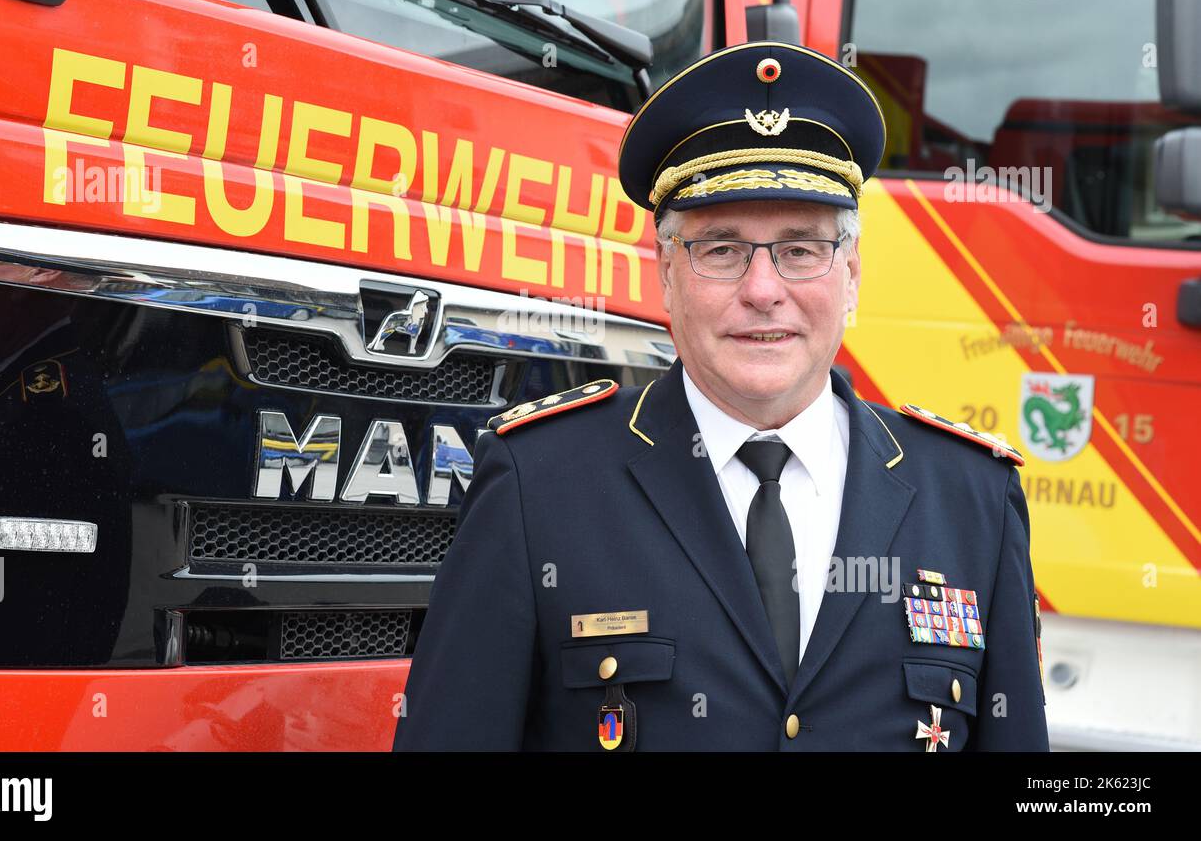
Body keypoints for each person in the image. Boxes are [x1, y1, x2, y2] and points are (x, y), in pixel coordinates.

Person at [392, 41, 1048, 751]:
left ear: (852, 274)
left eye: (800, 249)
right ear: (667, 273)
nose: (763, 291)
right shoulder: (538, 486)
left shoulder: (972, 499)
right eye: (722, 249)